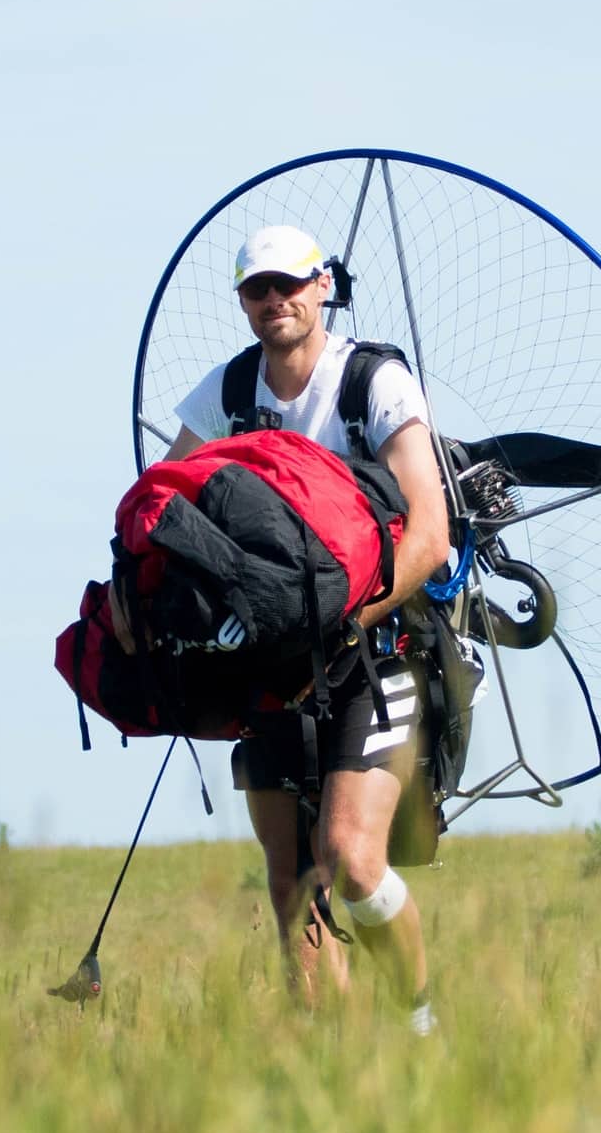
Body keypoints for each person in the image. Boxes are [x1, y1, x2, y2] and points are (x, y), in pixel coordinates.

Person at [163, 225, 453, 1033]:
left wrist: (347, 620)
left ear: (323, 284)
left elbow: (430, 536)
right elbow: (167, 498)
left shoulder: (372, 383)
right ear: (242, 300)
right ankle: (330, 1064)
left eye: (289, 283)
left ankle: (420, 1027)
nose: (275, 300)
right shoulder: (228, 392)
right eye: (257, 288)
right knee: (291, 882)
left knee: (350, 858)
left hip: (375, 656)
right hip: (270, 667)